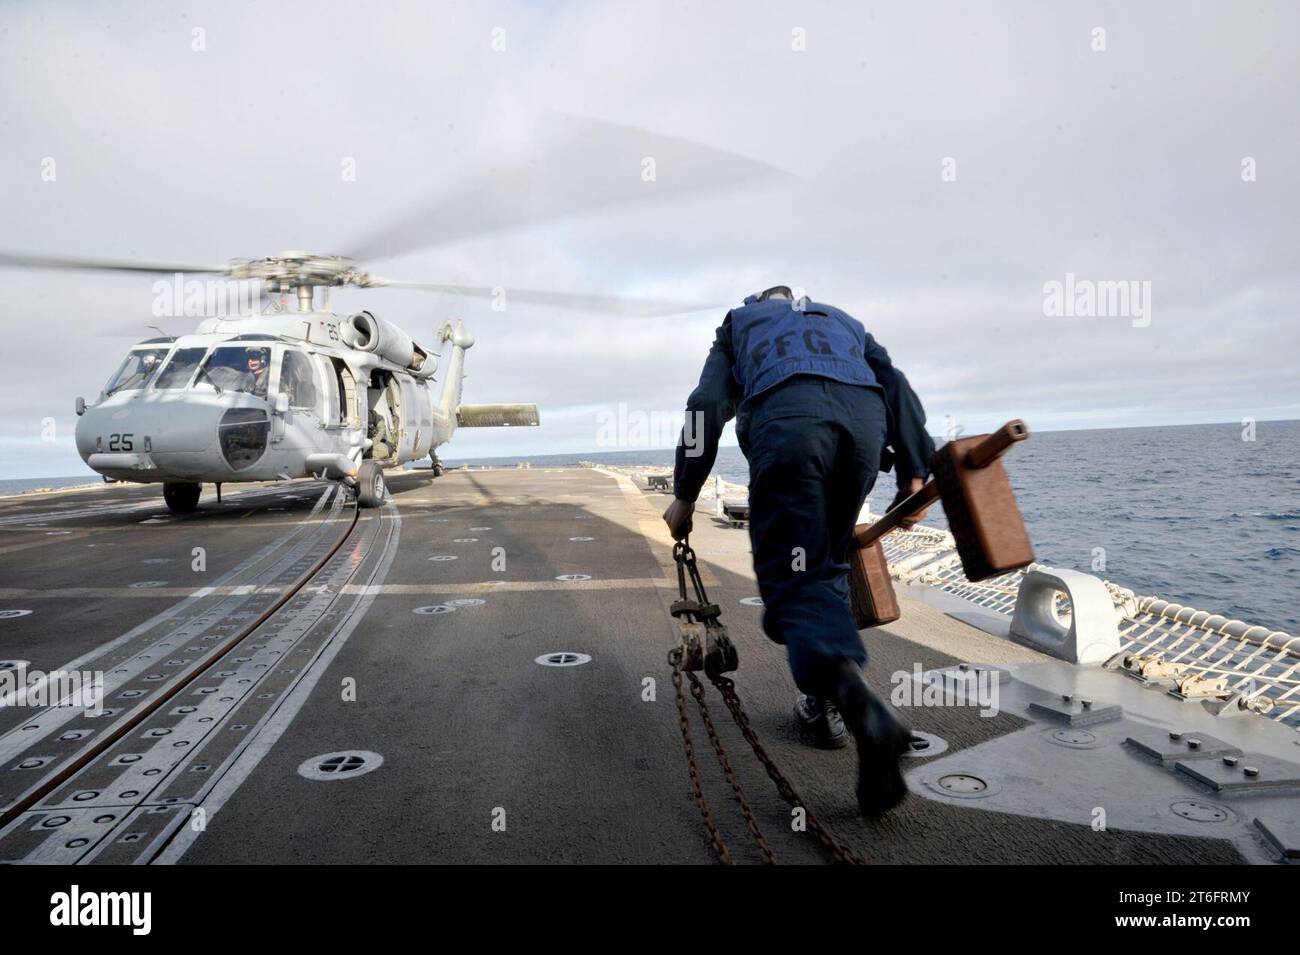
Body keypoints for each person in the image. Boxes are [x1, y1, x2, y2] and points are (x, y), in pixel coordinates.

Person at [662, 286, 935, 815]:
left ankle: (862, 708)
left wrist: (686, 492)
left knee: (793, 582)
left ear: (760, 301)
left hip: (790, 430)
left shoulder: (740, 323)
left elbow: (705, 405)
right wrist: (915, 469)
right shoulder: (845, 319)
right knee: (823, 565)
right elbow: (894, 384)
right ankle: (824, 701)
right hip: (862, 430)